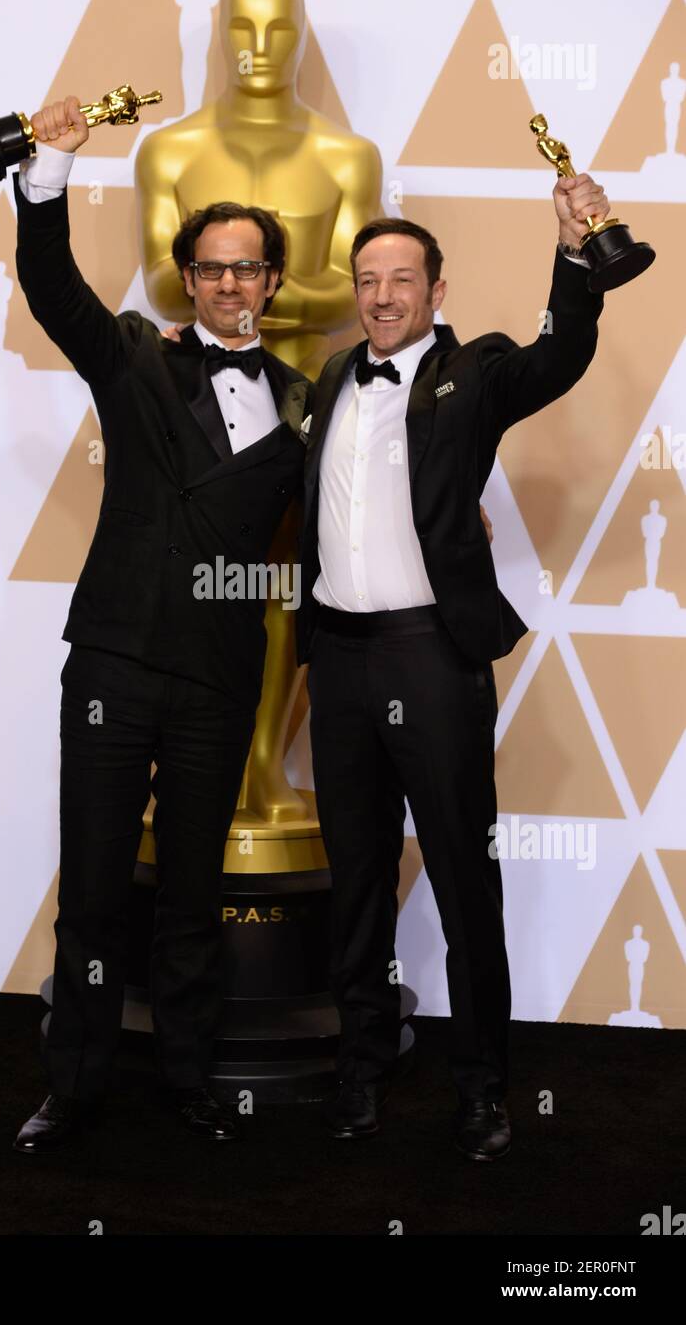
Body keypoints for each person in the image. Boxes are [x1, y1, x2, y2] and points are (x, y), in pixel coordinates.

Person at [11, 95, 309, 1151]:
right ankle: (74, 1086)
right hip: (114, 658)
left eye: (248, 267)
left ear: (273, 283)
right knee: (92, 888)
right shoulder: (134, 353)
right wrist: (46, 169)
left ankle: (189, 1076)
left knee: (193, 891)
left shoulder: (304, 404)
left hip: (221, 674)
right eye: (212, 267)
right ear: (190, 278)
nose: (230, 282)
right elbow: (52, 290)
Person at [295, 174, 608, 1159]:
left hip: (428, 656)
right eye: (367, 279)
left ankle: (480, 1088)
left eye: (401, 279)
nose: (381, 296)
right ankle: (361, 1064)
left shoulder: (471, 373)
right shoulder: (330, 379)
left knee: (465, 881)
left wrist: (572, 251)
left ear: (434, 290)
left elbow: (559, 354)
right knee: (354, 878)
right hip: (336, 662)